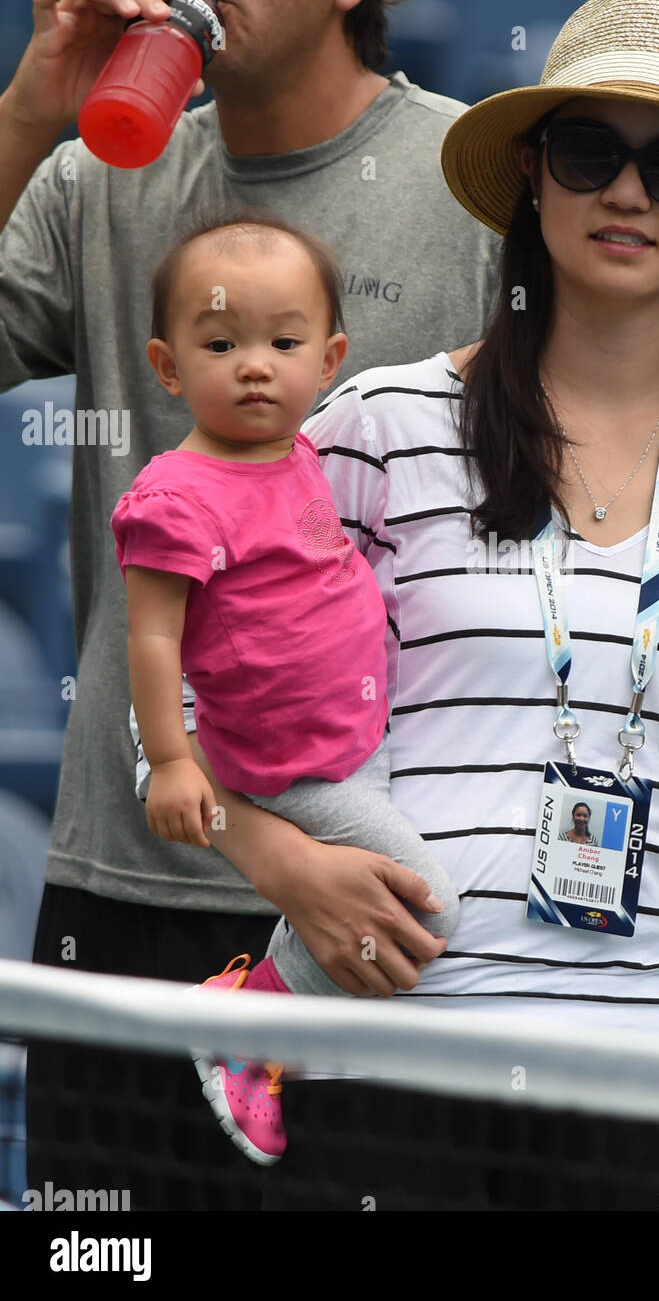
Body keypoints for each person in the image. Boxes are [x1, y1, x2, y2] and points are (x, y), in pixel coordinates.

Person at [150, 0, 659, 1210]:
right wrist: (286, 869)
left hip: (633, 1085)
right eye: (590, 149)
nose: (626, 191)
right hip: (380, 1055)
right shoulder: (376, 429)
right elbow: (170, 719)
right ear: (533, 178)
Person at [0, 0, 496, 1208]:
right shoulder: (98, 176)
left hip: (361, 902)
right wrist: (20, 120)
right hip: (120, 889)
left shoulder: (472, 185)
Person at [110, 212, 460, 1167]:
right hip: (280, 765)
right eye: (222, 344)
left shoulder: (304, 451)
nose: (256, 365)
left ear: (329, 357)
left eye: (284, 342)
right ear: (169, 365)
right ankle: (250, 1021)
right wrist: (172, 764)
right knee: (426, 905)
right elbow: (150, 639)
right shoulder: (176, 495)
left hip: (352, 743)